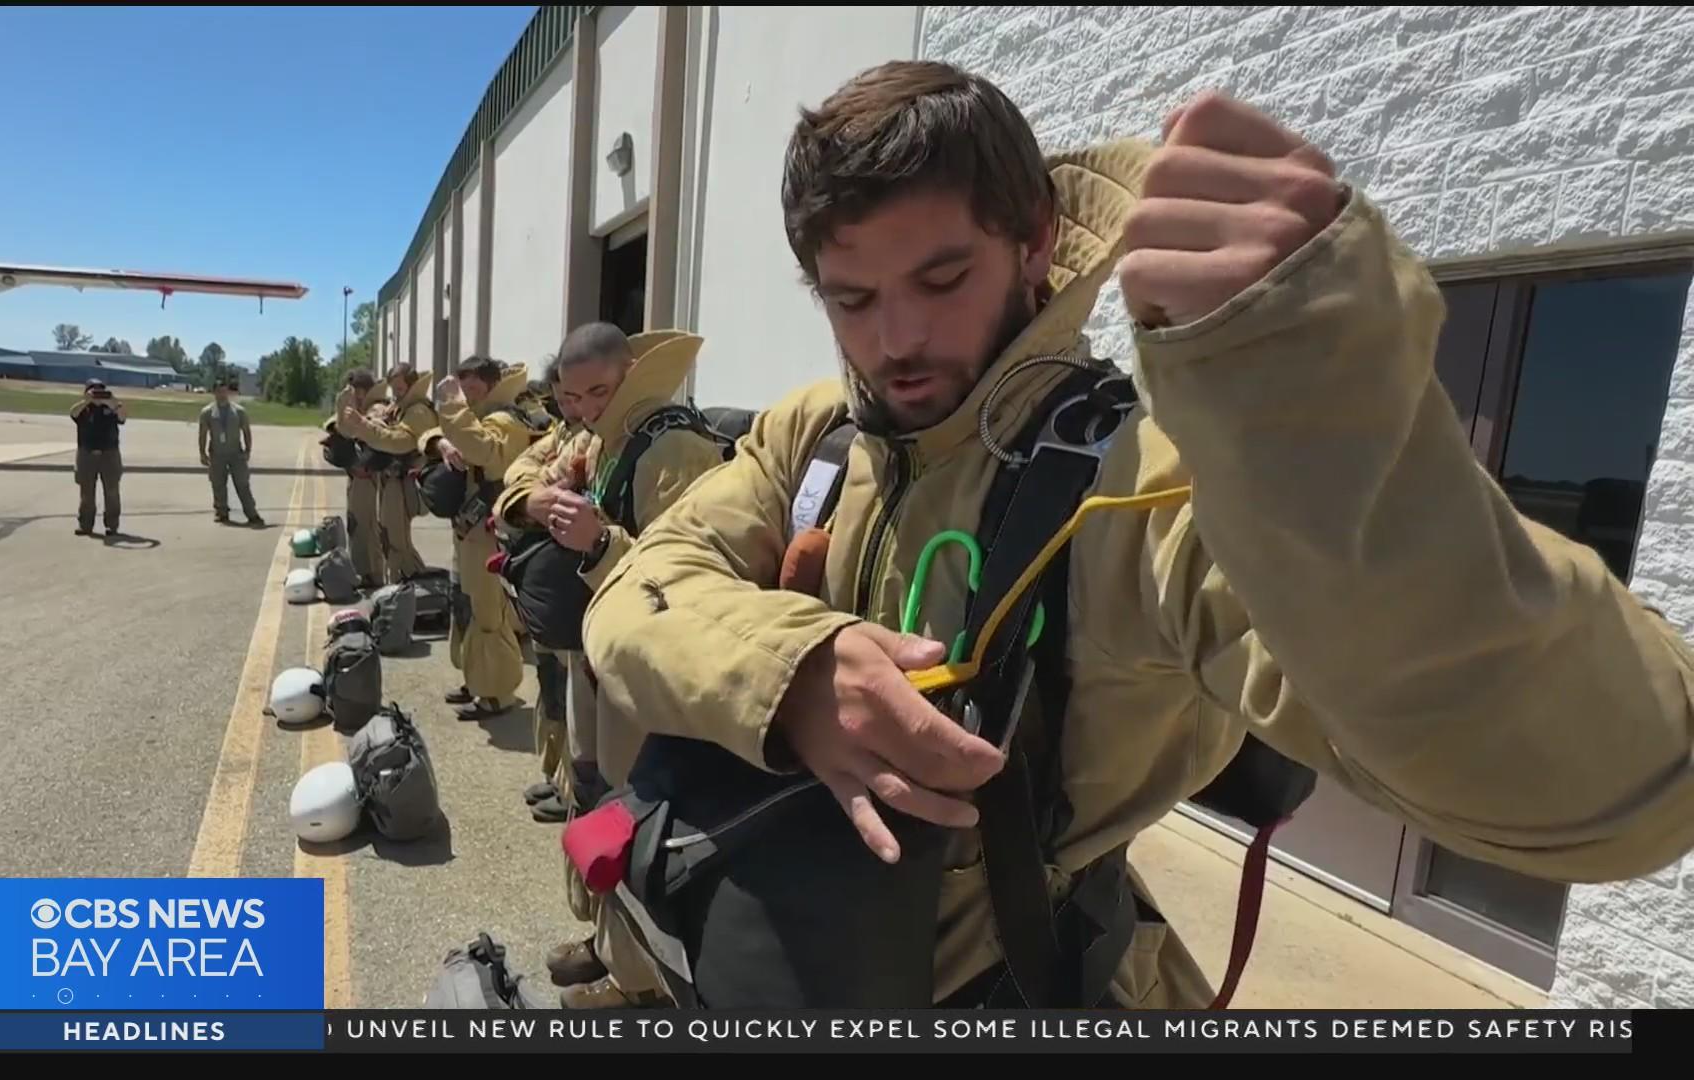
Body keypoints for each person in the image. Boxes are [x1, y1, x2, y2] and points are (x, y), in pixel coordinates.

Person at [579, 61, 1694, 1009]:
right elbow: (637, 593)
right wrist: (797, 672)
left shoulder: (1145, 484)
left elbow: (1619, 794)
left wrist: (1327, 437)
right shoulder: (812, 433)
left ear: (1035, 245)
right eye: (851, 298)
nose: (896, 338)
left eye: (942, 276)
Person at [504, 322, 727, 1010]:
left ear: (631, 372)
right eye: (573, 397)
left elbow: (694, 577)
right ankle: (610, 944)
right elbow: (523, 475)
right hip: (596, 658)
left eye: (598, 391)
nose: (585, 408)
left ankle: (642, 984)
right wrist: (538, 500)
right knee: (592, 795)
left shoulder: (676, 449)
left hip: (644, 673)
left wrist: (601, 542)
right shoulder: (599, 439)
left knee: (634, 820)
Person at [384, 355, 534, 720]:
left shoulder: (506, 421)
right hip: (465, 531)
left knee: (487, 613)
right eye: (462, 388)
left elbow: (483, 450)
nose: (465, 395)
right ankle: (475, 679)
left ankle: (496, 693)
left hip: (488, 534)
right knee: (463, 604)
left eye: (472, 388)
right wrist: (441, 445)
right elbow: (428, 433)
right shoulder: (471, 418)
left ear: (491, 385)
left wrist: (452, 408)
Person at [496, 357, 587, 821]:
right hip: (552, 572)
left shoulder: (598, 434)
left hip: (578, 581)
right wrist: (539, 486)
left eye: (574, 397)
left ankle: (574, 790)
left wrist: (545, 480)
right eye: (562, 397)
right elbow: (522, 467)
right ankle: (558, 777)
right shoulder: (565, 432)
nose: (567, 406)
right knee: (550, 680)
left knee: (573, 691)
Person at [351, 362, 440, 581]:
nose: (396, 395)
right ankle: (401, 583)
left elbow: (402, 442)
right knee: (389, 536)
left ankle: (408, 582)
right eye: (394, 389)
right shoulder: (402, 407)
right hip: (392, 481)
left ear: (412, 385)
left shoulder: (418, 411)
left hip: (403, 483)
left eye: (400, 389)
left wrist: (367, 428)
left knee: (396, 539)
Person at [327, 369, 389, 588]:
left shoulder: (377, 408)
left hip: (371, 477)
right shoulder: (352, 409)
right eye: (354, 391)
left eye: (360, 390)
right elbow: (337, 431)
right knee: (356, 525)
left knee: (371, 526)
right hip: (355, 475)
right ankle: (361, 571)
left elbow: (372, 428)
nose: (357, 395)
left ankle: (376, 573)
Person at [198, 378, 264, 527]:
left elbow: (246, 432)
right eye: (219, 391)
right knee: (218, 484)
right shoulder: (207, 413)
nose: (222, 394)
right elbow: (202, 433)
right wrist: (202, 453)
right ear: (214, 392)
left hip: (236, 454)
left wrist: (248, 450)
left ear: (228, 392)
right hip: (217, 454)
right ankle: (221, 512)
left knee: (242, 484)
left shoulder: (238, 412)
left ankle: (252, 514)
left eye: (224, 391)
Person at [69, 378, 127, 537]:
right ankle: (85, 525)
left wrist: (113, 402)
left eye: (101, 390)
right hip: (86, 454)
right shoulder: (83, 409)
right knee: (86, 492)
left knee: (112, 491)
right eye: (94, 391)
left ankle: (112, 526)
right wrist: (86, 401)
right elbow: (72, 413)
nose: (98, 394)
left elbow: (123, 417)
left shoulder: (111, 408)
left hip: (110, 454)